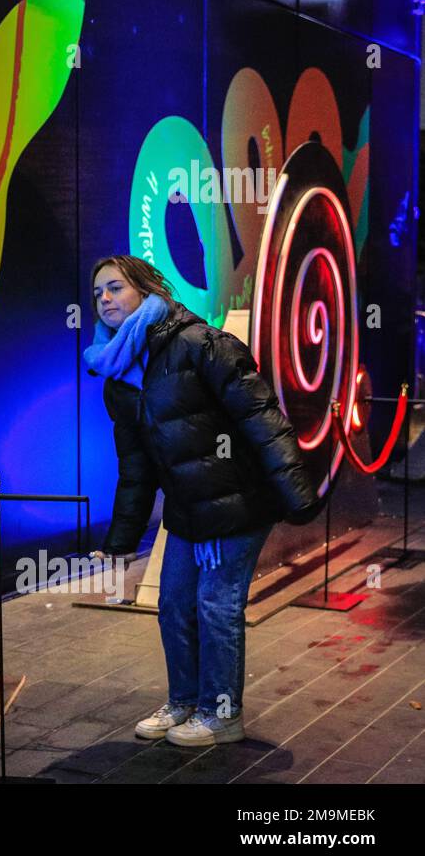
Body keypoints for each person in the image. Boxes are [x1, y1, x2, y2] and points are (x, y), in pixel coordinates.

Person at [84, 255, 321, 746]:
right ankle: (185, 701)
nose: (104, 299)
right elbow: (138, 468)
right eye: (97, 293)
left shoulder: (200, 345)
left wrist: (298, 495)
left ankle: (222, 713)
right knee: (173, 605)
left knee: (216, 605)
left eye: (114, 288)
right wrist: (121, 540)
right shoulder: (119, 378)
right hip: (191, 510)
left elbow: (262, 417)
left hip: (238, 503)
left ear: (147, 290)